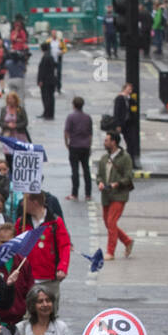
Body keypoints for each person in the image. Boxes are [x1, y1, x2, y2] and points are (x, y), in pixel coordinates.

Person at [14, 192, 71, 294]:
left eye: (25, 200)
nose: (22, 203)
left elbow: (65, 246)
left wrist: (62, 268)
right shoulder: (20, 223)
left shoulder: (55, 222)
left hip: (49, 279)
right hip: (27, 279)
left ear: (34, 203)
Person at [97, 129, 134, 261]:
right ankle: (127, 241)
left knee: (111, 221)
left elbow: (129, 176)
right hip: (106, 195)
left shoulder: (125, 158)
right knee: (108, 223)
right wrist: (100, 183)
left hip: (119, 195)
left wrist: (117, 184)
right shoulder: (104, 158)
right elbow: (99, 175)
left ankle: (110, 252)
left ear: (114, 142)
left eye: (107, 140)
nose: (104, 142)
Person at [63, 95, 93, 201]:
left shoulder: (71, 117)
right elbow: (90, 134)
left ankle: (74, 193)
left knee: (75, 170)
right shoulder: (87, 117)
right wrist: (89, 145)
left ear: (74, 105)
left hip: (74, 146)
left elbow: (66, 132)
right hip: (85, 146)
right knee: (86, 170)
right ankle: (88, 194)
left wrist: (67, 143)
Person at [112, 82, 139, 165]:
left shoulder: (128, 98)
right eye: (129, 89)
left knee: (131, 142)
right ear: (124, 89)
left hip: (128, 124)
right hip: (122, 124)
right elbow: (117, 112)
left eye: (131, 89)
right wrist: (118, 125)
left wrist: (131, 98)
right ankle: (116, 159)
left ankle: (130, 161)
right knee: (117, 142)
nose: (130, 90)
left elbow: (134, 106)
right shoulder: (119, 98)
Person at [36, 41, 57, 119]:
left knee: (46, 98)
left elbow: (43, 70)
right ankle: (49, 113)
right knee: (50, 98)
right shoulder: (50, 56)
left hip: (46, 81)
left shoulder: (45, 57)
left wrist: (40, 80)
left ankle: (47, 113)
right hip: (51, 80)